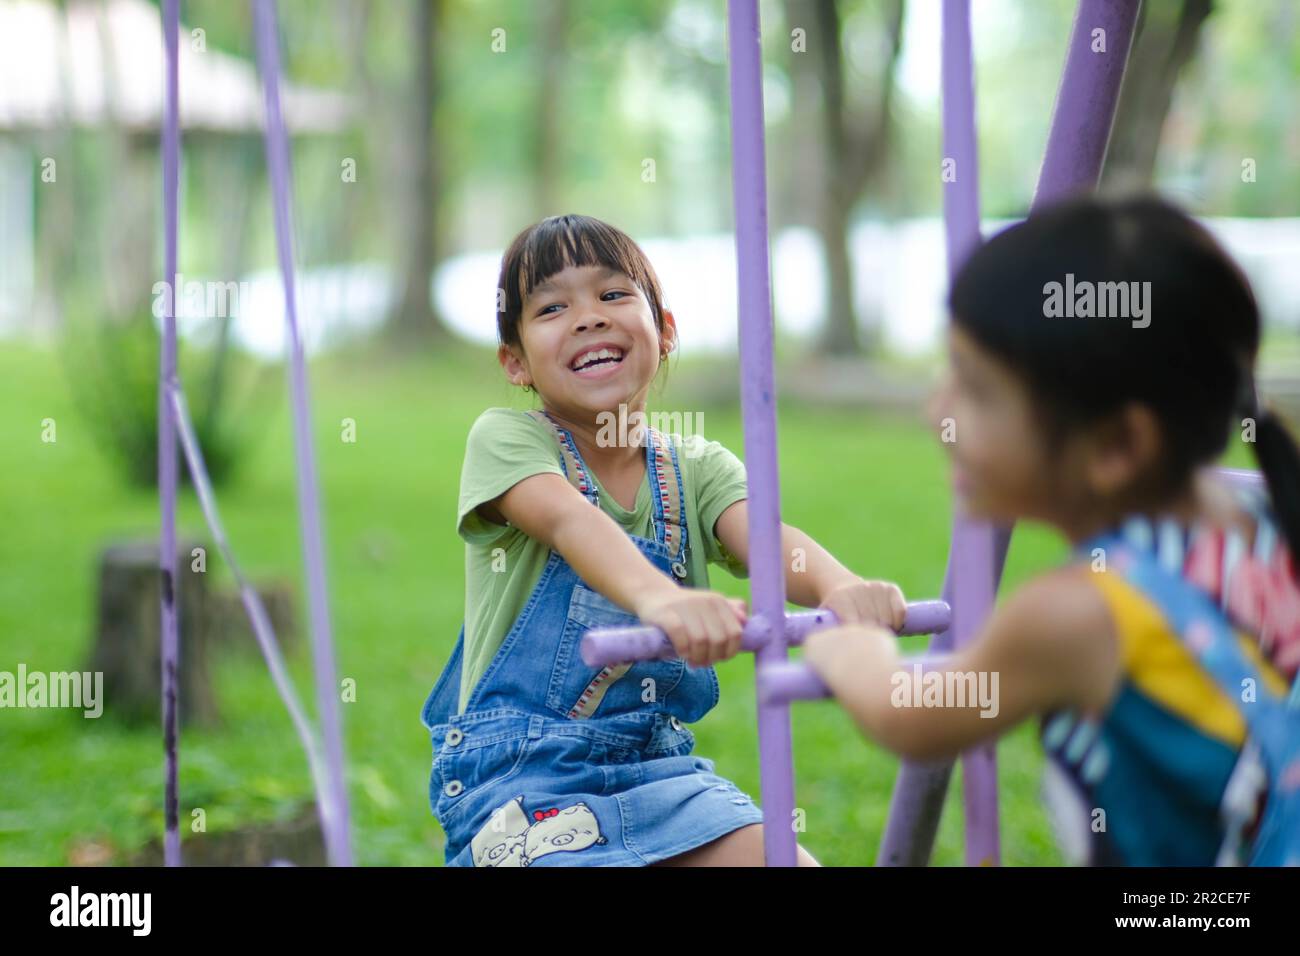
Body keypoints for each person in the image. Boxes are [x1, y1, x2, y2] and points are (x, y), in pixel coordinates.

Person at [806, 195, 1300, 865]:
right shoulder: (1271, 521)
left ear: (1118, 446)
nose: (937, 411)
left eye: (976, 391)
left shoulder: (1082, 610)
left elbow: (912, 714)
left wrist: (850, 650)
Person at [420, 213, 907, 866]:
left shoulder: (694, 468)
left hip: (658, 769)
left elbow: (769, 540)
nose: (589, 317)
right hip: (521, 777)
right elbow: (571, 522)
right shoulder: (510, 442)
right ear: (516, 362)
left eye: (613, 294)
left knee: (784, 859)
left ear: (665, 330)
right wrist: (660, 599)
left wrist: (837, 585)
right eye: (552, 307)